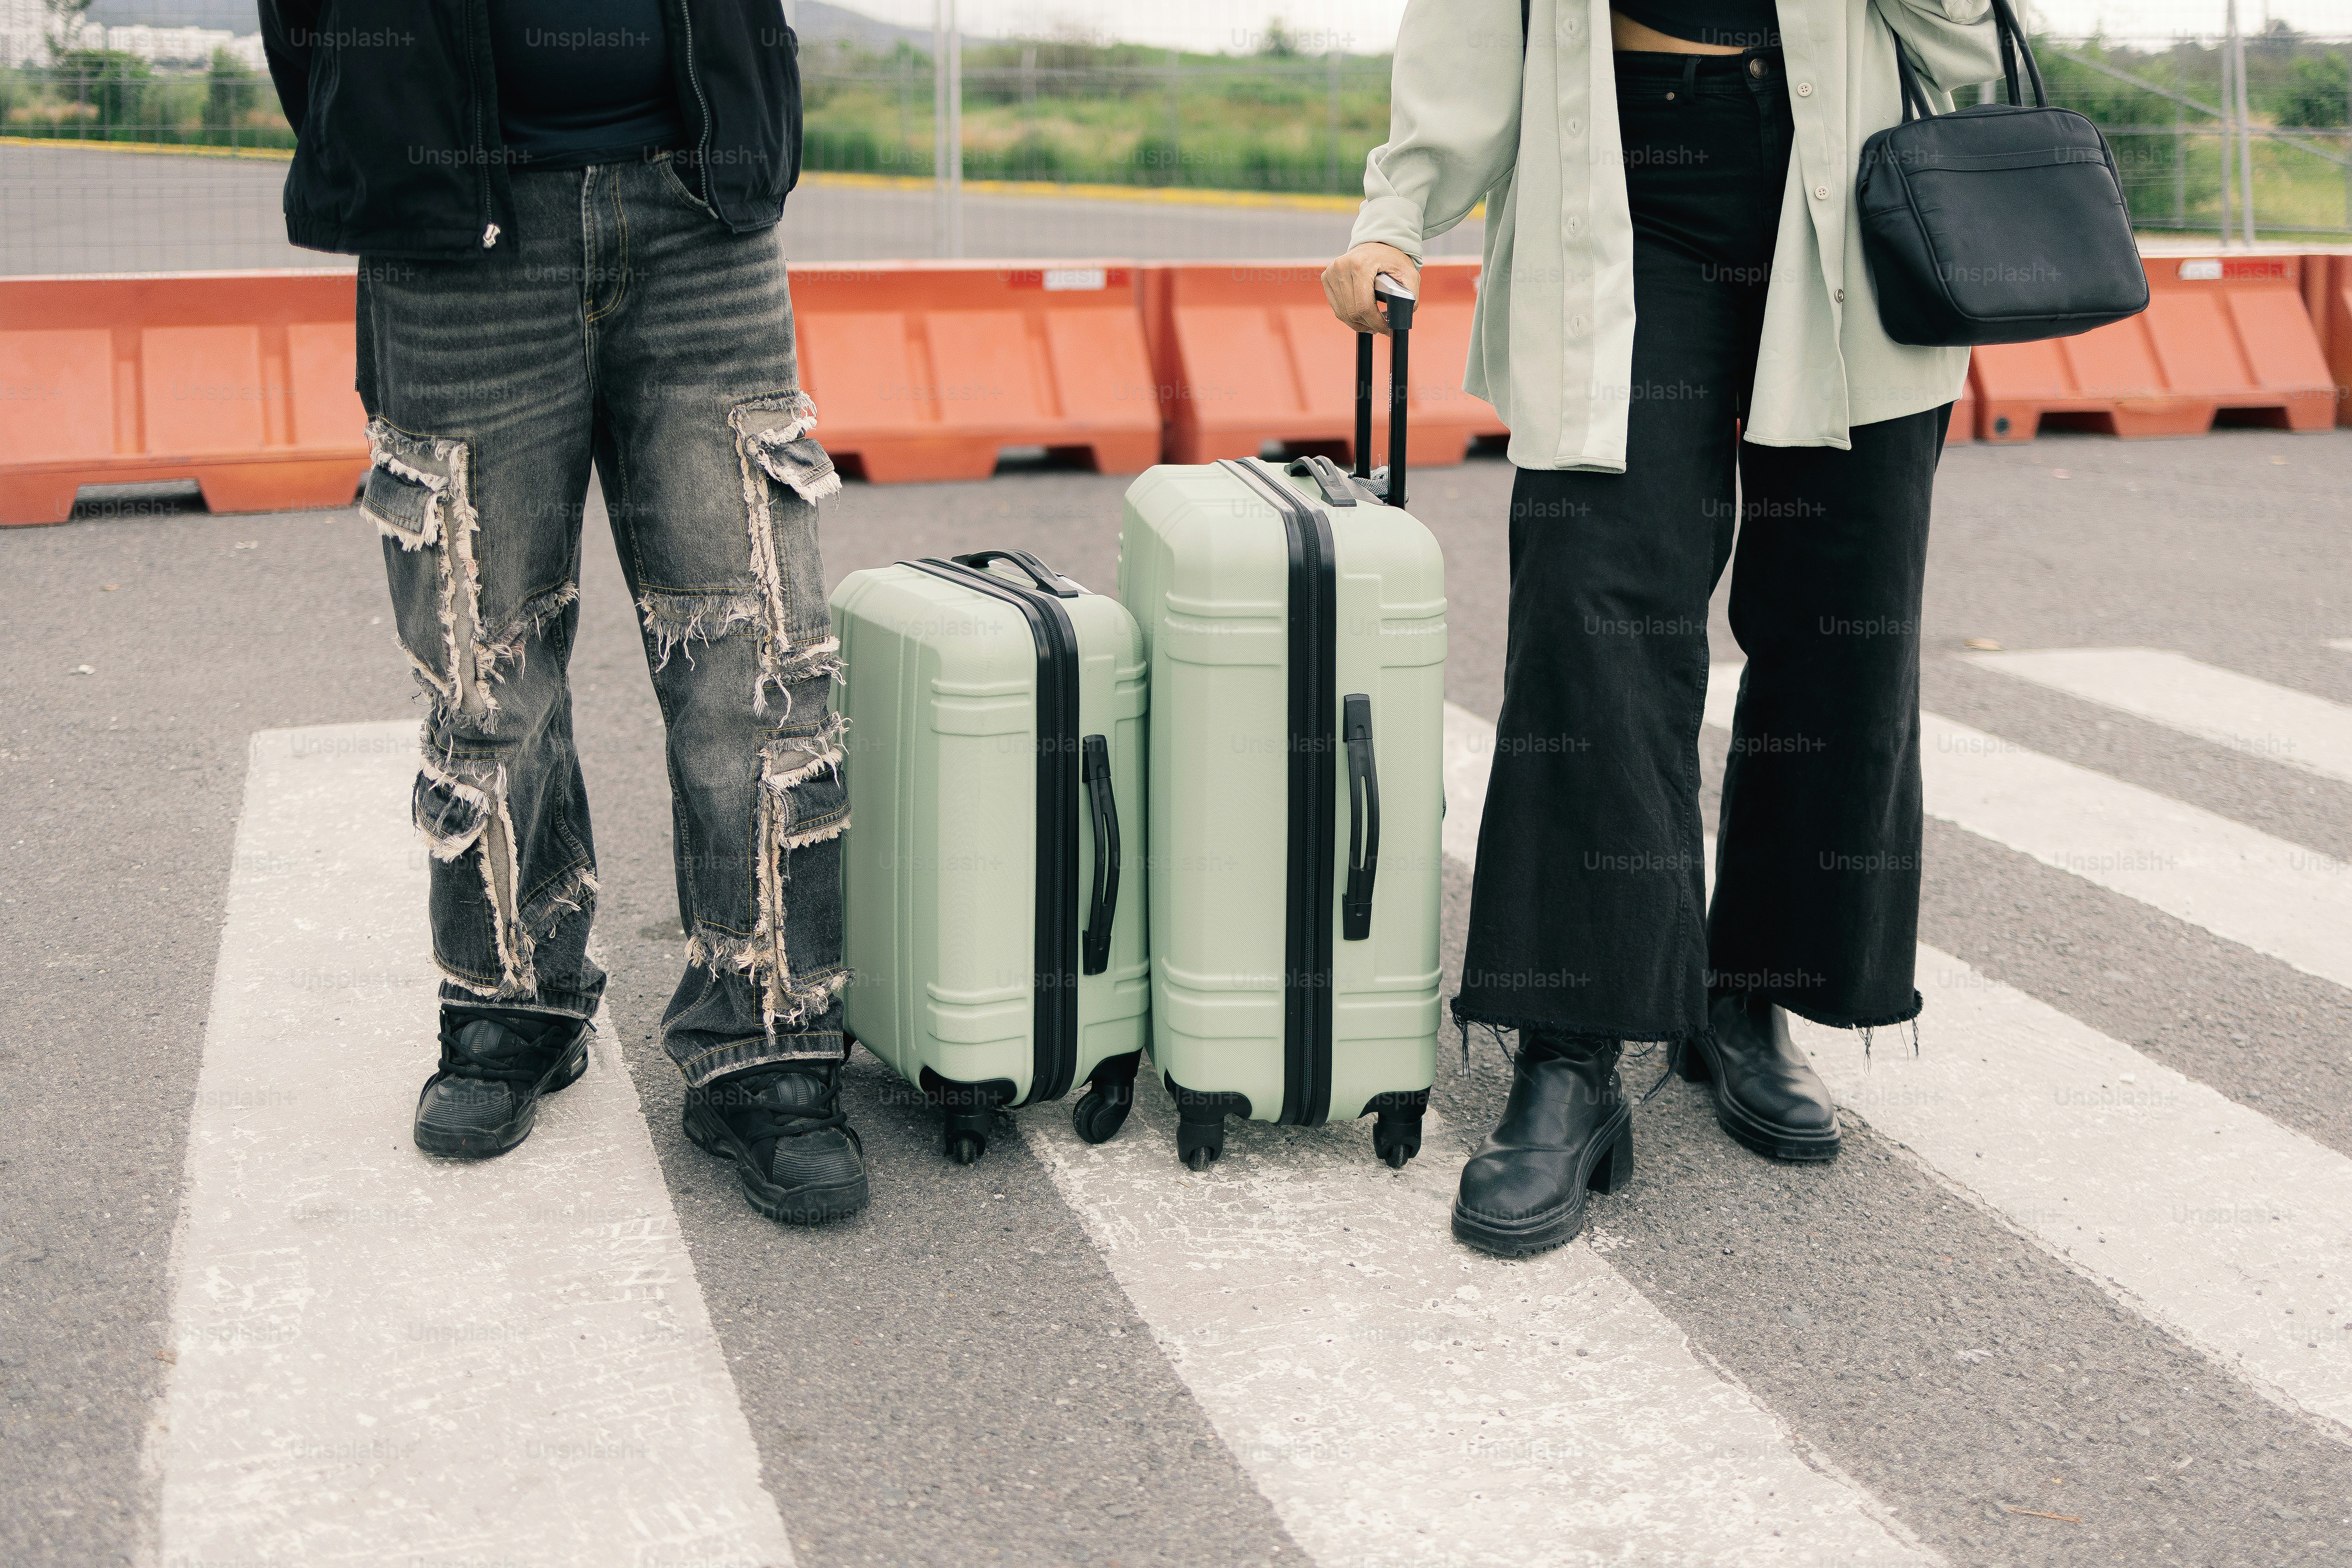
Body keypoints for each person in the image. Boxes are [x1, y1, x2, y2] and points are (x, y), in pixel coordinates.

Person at [1324, 0, 2005, 1256]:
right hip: (1628, 178)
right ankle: (1574, 1049)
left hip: (1852, 185)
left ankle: (1750, 1000)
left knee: (1839, 619)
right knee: (1596, 605)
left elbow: (1963, 39)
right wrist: (1397, 217)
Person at [261, 0, 868, 1223]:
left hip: (699, 204)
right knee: (486, 664)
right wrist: (379, 123)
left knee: (755, 661)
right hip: (452, 229)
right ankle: (509, 1003)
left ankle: (766, 1038)